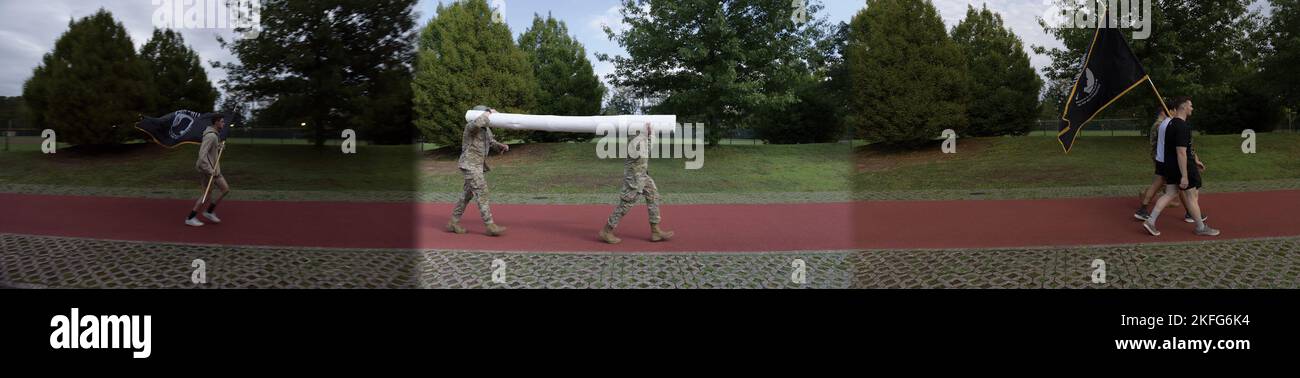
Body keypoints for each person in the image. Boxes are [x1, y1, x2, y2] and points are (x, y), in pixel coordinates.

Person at [1143, 97, 1219, 236]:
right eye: (1190, 105)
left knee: (1170, 193)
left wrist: (1195, 160)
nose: (1192, 108)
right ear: (1183, 107)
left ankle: (1150, 221)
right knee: (1191, 196)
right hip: (1181, 167)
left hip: (1170, 166)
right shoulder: (1182, 126)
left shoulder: (1168, 124)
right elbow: (1181, 152)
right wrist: (1184, 175)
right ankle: (1201, 227)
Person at [599, 122, 673, 244]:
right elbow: (642, 153)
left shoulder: (642, 140)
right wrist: (647, 135)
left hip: (643, 175)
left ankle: (655, 231)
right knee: (626, 203)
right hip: (634, 178)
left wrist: (651, 134)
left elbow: (648, 147)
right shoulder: (634, 143)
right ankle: (607, 230)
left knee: (653, 195)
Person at [447, 106, 510, 236]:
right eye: (485, 114)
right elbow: (478, 123)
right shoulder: (471, 127)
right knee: (482, 192)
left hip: (477, 166)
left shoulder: (485, 129)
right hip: (470, 165)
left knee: (466, 195)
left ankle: (453, 222)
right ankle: (490, 225)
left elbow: (491, 142)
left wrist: (501, 146)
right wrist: (487, 112)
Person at [186, 114, 230, 227]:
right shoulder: (211, 136)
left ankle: (209, 212)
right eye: (222, 121)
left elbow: (211, 150)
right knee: (206, 194)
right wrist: (209, 170)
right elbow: (202, 156)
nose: (223, 124)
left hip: (214, 170)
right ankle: (191, 217)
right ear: (216, 123)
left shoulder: (215, 135)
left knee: (224, 189)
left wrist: (219, 147)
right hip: (208, 170)